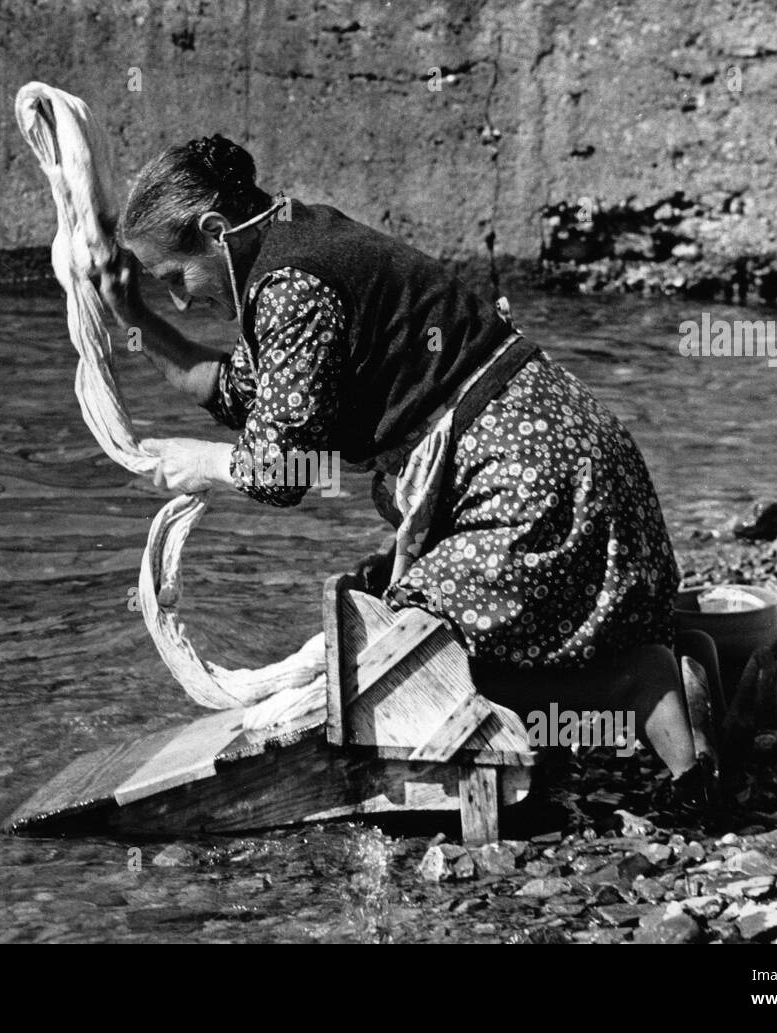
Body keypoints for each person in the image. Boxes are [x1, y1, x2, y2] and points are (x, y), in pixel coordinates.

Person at [94, 133, 719, 811]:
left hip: (535, 480)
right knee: (384, 620)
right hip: (559, 456)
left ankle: (637, 685)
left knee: (407, 667)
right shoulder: (294, 247)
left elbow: (277, 471)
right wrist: (133, 317)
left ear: (215, 232)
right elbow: (234, 392)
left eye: (174, 279)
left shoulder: (292, 285)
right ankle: (678, 665)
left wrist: (202, 461)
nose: (180, 303)